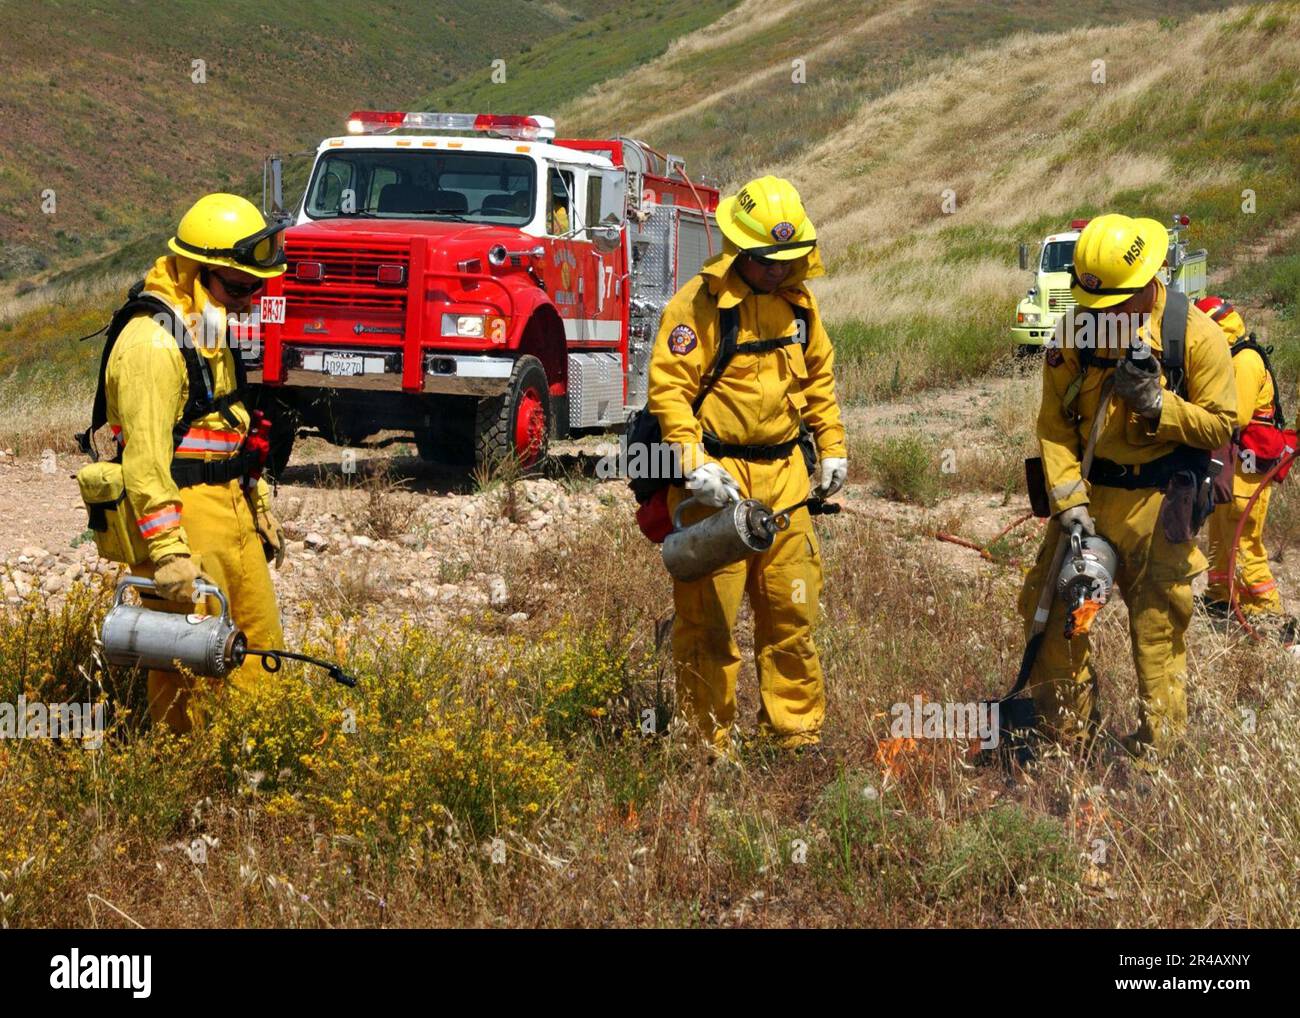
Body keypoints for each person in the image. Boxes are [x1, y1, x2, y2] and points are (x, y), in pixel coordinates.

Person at [1020, 213, 1235, 761]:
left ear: (1149, 282)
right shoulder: (1075, 333)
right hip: (1091, 507)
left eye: (1116, 303)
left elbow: (1221, 426)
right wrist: (1069, 501)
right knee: (1059, 623)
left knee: (1156, 635)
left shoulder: (1195, 335)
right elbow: (1054, 428)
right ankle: (1067, 742)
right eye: (1095, 305)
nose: (1103, 317)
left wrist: (1158, 405)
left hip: (1161, 507)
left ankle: (1158, 761)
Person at [647, 175, 847, 758]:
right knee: (709, 624)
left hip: (786, 477)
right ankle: (706, 744)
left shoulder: (800, 307)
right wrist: (691, 463)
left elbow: (818, 383)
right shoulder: (697, 307)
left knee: (791, 611)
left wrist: (831, 445)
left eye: (788, 260)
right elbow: (669, 392)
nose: (778, 271)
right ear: (741, 251)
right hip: (719, 482)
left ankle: (796, 734)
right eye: (767, 260)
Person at [106, 193, 289, 732]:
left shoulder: (208, 330)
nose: (248, 300)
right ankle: (188, 781)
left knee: (256, 648)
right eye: (237, 287)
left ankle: (260, 762)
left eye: (256, 287)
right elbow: (143, 464)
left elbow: (229, 431)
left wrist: (256, 509)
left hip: (229, 516)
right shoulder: (151, 345)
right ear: (194, 272)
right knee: (186, 662)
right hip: (182, 523)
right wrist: (168, 555)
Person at [1200, 296, 1291, 628]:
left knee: (1242, 534)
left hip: (1249, 466)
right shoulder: (1235, 356)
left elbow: (1236, 415)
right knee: (1220, 529)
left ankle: (1265, 606)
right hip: (1237, 464)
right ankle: (1220, 594)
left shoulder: (1245, 361)